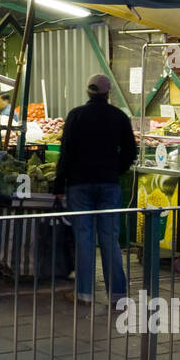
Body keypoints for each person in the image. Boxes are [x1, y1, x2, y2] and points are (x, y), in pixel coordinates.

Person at [52, 75, 137, 306]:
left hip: (79, 185)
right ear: (108, 93)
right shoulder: (118, 116)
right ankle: (118, 296)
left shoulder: (76, 115)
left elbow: (66, 152)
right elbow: (131, 151)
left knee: (84, 239)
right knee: (110, 239)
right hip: (108, 184)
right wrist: (115, 169)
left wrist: (59, 184)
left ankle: (84, 293)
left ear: (88, 92)